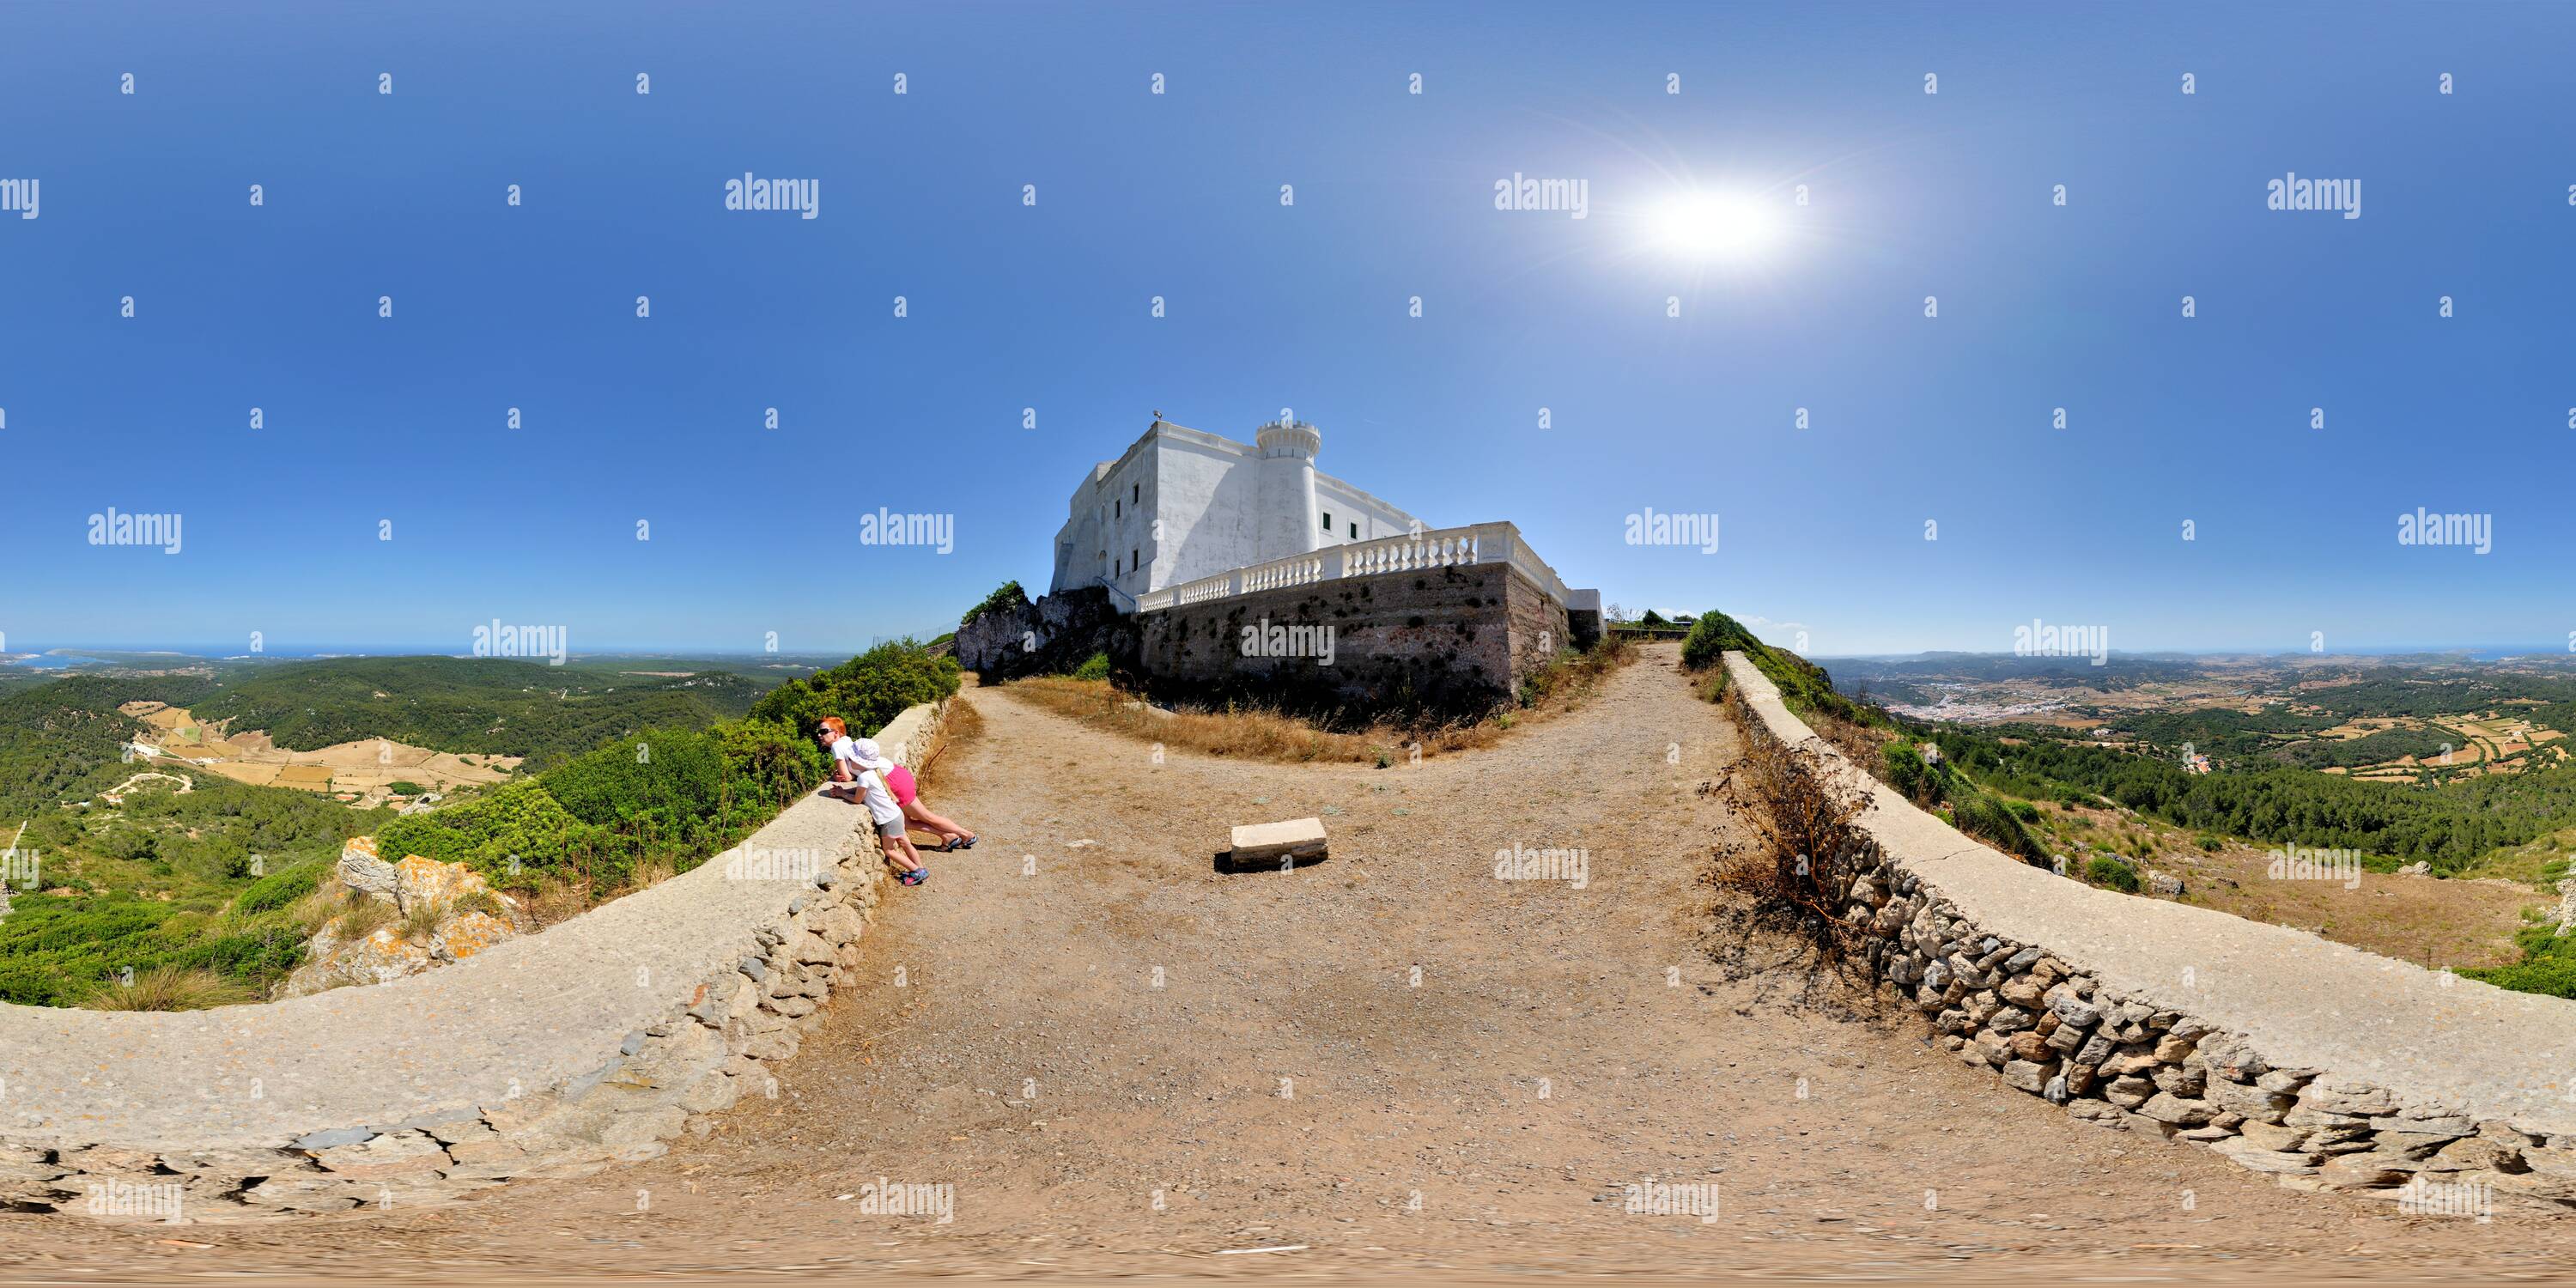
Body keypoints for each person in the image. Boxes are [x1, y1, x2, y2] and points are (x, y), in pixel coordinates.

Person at [814, 718, 929, 886]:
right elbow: (864, 791)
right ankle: (919, 866)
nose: (850, 761)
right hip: (896, 814)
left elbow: (858, 799)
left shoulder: (864, 778)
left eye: (851, 758)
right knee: (905, 842)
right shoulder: (874, 772)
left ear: (858, 761)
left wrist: (842, 793)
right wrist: (845, 790)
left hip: (888, 820)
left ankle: (917, 871)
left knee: (889, 850)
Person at [848, 734, 978, 852]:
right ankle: (947, 836)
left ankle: (966, 834)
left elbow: (862, 788)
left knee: (928, 817)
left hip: (896, 785)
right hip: (898, 778)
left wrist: (844, 792)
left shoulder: (860, 767)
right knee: (907, 823)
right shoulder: (869, 762)